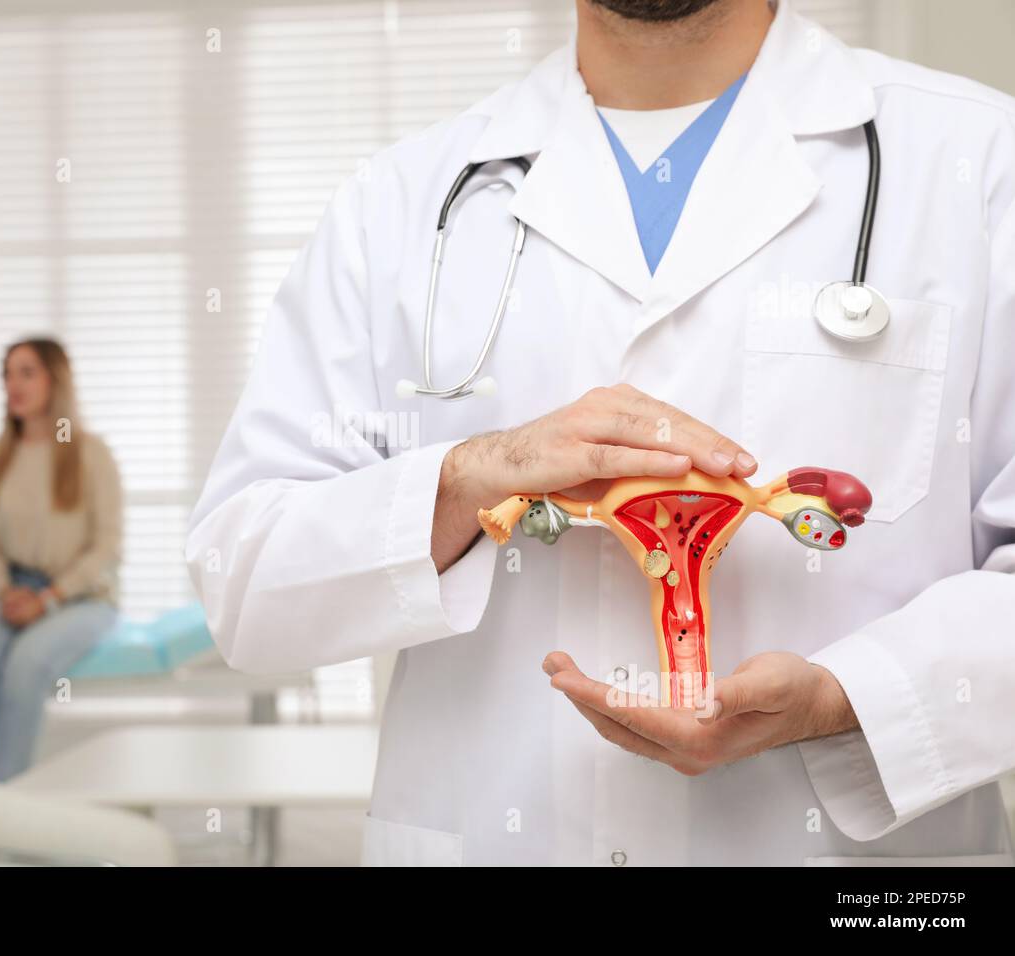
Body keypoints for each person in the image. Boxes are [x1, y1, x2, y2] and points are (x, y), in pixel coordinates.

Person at [187, 0, 1015, 865]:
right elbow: (246, 578)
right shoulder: (400, 202)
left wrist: (853, 696)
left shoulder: (980, 162)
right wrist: (473, 478)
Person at [0, 338, 122, 781]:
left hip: (83, 597)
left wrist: (49, 599)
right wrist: (5, 588)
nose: (13, 384)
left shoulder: (90, 454)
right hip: (15, 590)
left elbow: (107, 548)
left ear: (55, 380)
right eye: (7, 374)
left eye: (26, 373)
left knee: (25, 665)